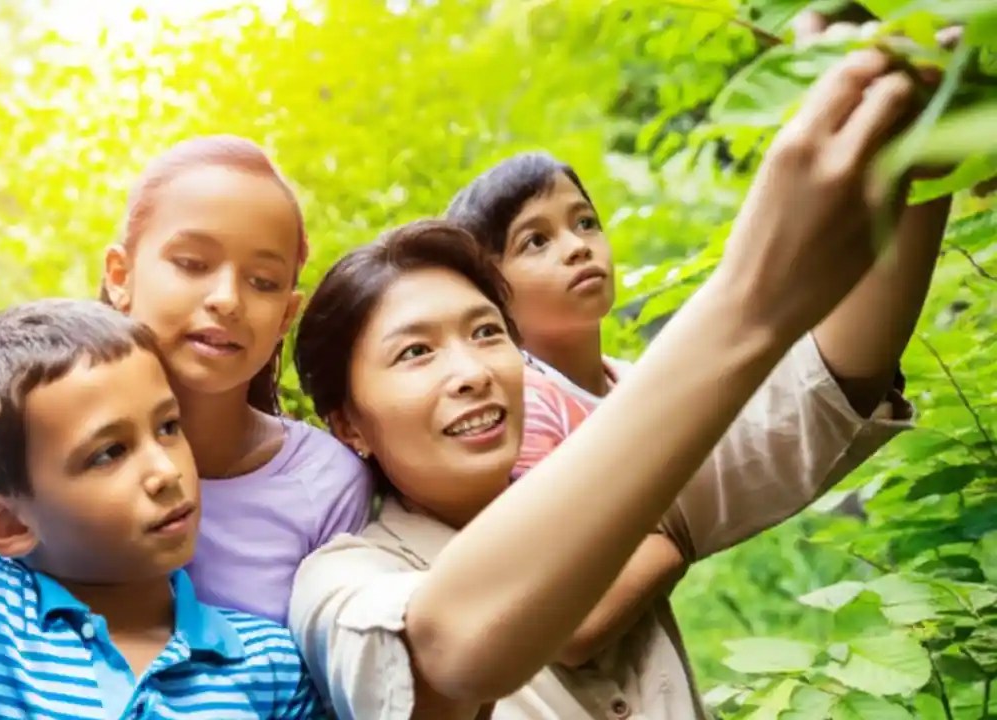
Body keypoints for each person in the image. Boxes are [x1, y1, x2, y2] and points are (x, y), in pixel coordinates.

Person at [288, 50, 925, 719]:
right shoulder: (338, 581)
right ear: (349, 424)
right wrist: (746, 302)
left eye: (485, 332)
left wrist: (927, 148)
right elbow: (448, 651)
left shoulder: (624, 482)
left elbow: (833, 384)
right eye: (416, 352)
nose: (472, 372)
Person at [0, 298, 324, 719]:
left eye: (168, 427)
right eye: (109, 453)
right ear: (6, 524)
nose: (166, 471)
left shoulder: (269, 664)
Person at [99, 137, 372, 624]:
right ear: (120, 276)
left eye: (263, 282)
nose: (227, 299)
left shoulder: (326, 483)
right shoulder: (47, 445)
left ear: (287, 314)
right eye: (191, 264)